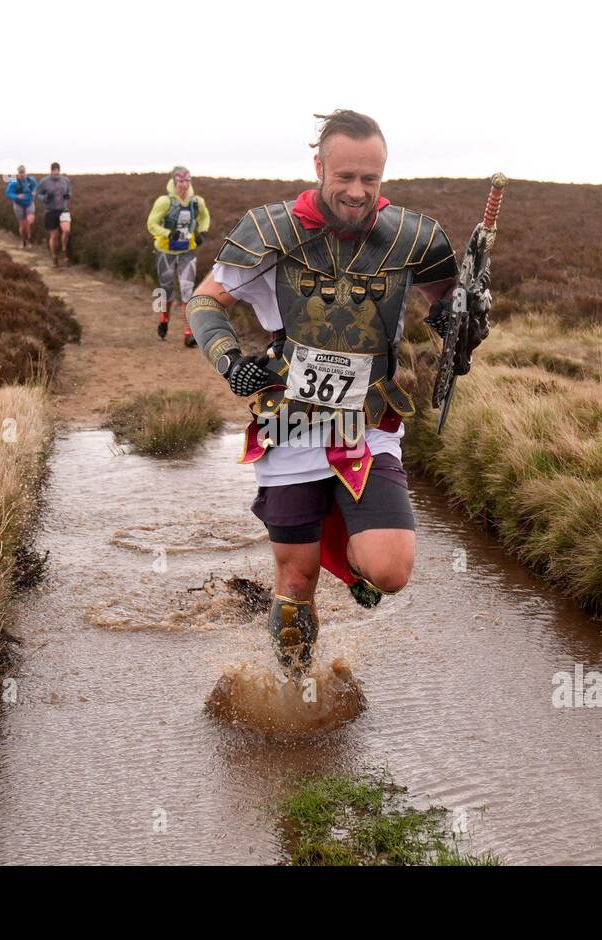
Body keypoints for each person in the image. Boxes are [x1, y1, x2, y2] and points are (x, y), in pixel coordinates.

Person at [188, 109, 488, 676]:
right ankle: (298, 692)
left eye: (370, 180)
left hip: (369, 421)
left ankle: (354, 566)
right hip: (291, 422)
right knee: (295, 582)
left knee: (391, 570)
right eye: (345, 177)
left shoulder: (411, 236)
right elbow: (205, 302)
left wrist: (464, 321)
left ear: (383, 176)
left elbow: (453, 304)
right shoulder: (271, 230)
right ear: (319, 165)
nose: (357, 192)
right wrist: (229, 362)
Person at [146, 166, 211, 347]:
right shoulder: (164, 202)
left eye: (187, 181)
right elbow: (151, 224)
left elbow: (205, 217)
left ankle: (188, 332)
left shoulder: (197, 202)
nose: (184, 185)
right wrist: (168, 233)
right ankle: (163, 318)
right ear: (174, 182)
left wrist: (202, 233)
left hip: (186, 252)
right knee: (165, 290)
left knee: (187, 291)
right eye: (181, 181)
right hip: (165, 252)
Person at [35, 162, 72, 267]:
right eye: (54, 170)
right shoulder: (44, 181)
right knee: (54, 236)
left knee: (67, 230)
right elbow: (38, 195)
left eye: (57, 170)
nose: (56, 172)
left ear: (59, 170)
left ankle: (64, 248)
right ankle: (55, 257)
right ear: (51, 171)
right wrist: (46, 197)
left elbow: (69, 192)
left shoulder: (65, 180)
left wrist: (67, 196)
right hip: (50, 211)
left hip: (63, 209)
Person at [5, 165, 39, 247]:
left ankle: (30, 237)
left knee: (30, 221)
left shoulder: (31, 179)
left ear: (25, 172)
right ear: (18, 173)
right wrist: (16, 196)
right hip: (18, 205)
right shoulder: (13, 182)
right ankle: (24, 240)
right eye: (20, 172)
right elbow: (8, 192)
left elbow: (36, 186)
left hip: (29, 203)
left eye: (23, 172)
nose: (22, 174)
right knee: (23, 226)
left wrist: (34, 191)